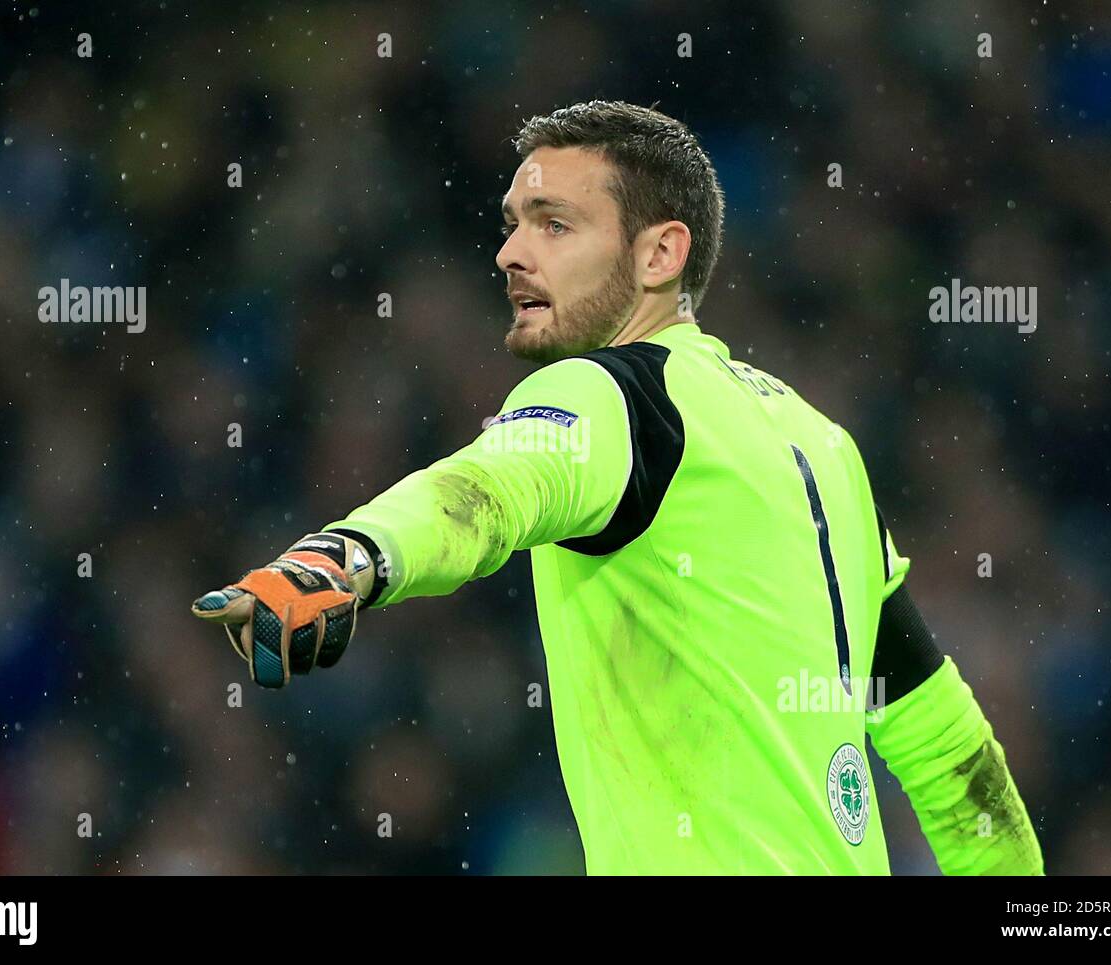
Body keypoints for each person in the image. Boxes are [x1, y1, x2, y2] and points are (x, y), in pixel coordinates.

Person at [192, 100, 1044, 876]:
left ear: (659, 254)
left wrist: (347, 556)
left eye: (554, 224)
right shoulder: (825, 446)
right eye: (513, 224)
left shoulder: (614, 392)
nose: (511, 252)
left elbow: (486, 494)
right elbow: (948, 751)